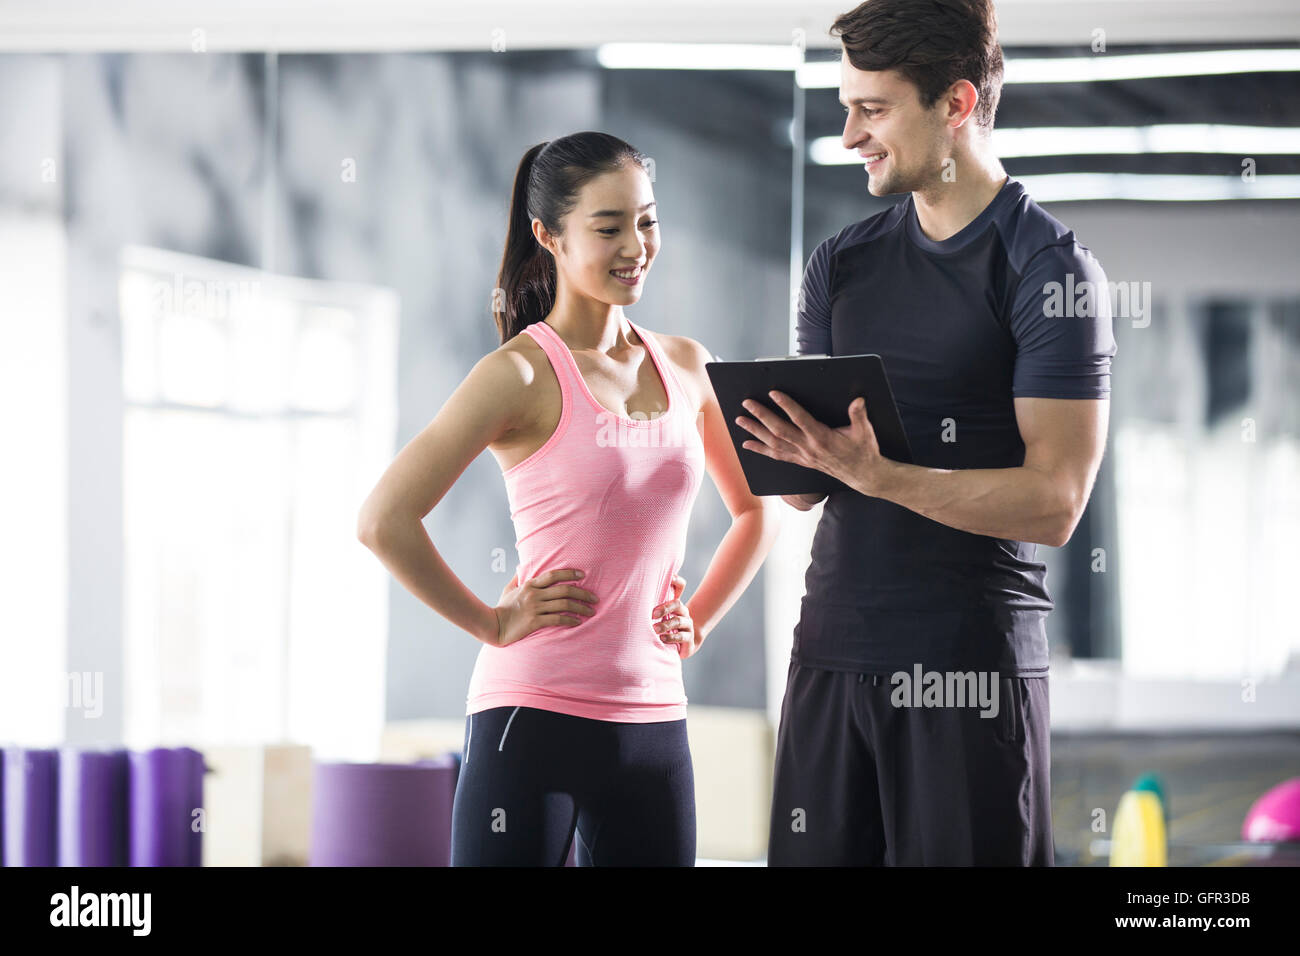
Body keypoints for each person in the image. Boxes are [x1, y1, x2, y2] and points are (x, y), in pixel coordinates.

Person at [743, 0, 1116, 865]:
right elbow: (812, 484)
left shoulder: (1049, 269)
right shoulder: (840, 263)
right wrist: (780, 442)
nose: (847, 136)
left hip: (970, 676)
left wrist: (879, 475)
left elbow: (1055, 502)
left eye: (872, 110)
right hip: (831, 656)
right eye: (845, 107)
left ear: (954, 104)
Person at [357, 131, 781, 866]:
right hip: (532, 720)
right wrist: (493, 621)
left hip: (654, 726)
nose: (636, 245)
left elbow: (756, 510)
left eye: (647, 221)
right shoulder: (518, 374)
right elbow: (383, 520)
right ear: (547, 235)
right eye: (609, 227)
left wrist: (699, 618)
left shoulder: (688, 365)